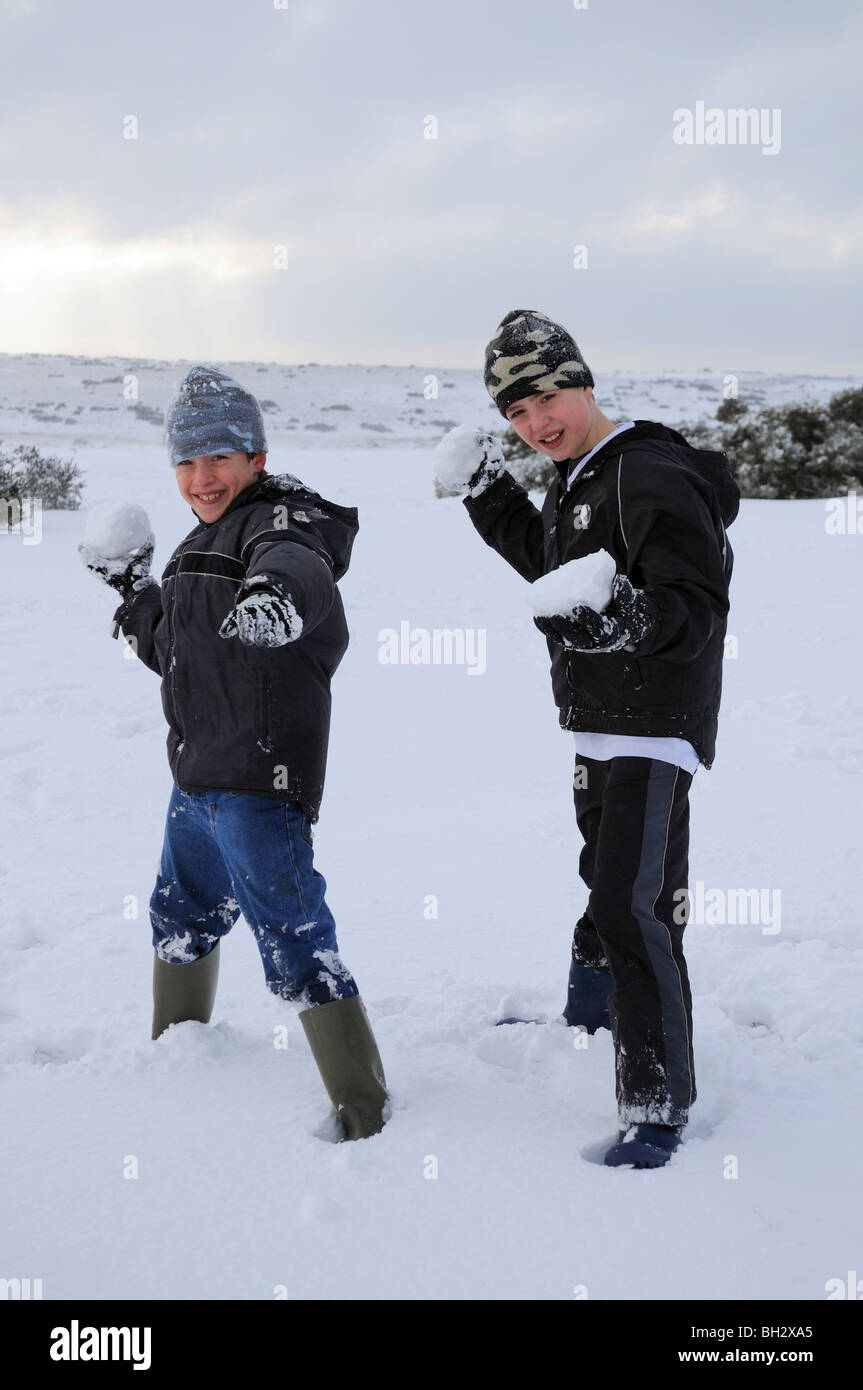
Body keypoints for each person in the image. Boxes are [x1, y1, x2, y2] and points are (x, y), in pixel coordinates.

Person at [435, 309, 739, 1168]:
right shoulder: (577, 473)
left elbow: (695, 606)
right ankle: (590, 1015)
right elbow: (554, 563)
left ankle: (655, 1103)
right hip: (605, 718)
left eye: (547, 397)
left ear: (582, 380)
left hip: (653, 724)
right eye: (516, 413)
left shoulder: (643, 472)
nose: (536, 424)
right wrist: (489, 495)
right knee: (603, 878)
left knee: (630, 906)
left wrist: (627, 619)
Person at [80, 365, 387, 1141]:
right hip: (195, 784)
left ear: (254, 456)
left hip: (260, 779)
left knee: (291, 934)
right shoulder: (198, 543)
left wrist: (275, 597)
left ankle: (362, 1104)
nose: (201, 476)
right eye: (185, 461)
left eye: (218, 457)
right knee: (178, 914)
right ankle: (178, 1053)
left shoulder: (280, 519)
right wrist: (134, 592)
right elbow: (176, 649)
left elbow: (297, 562)